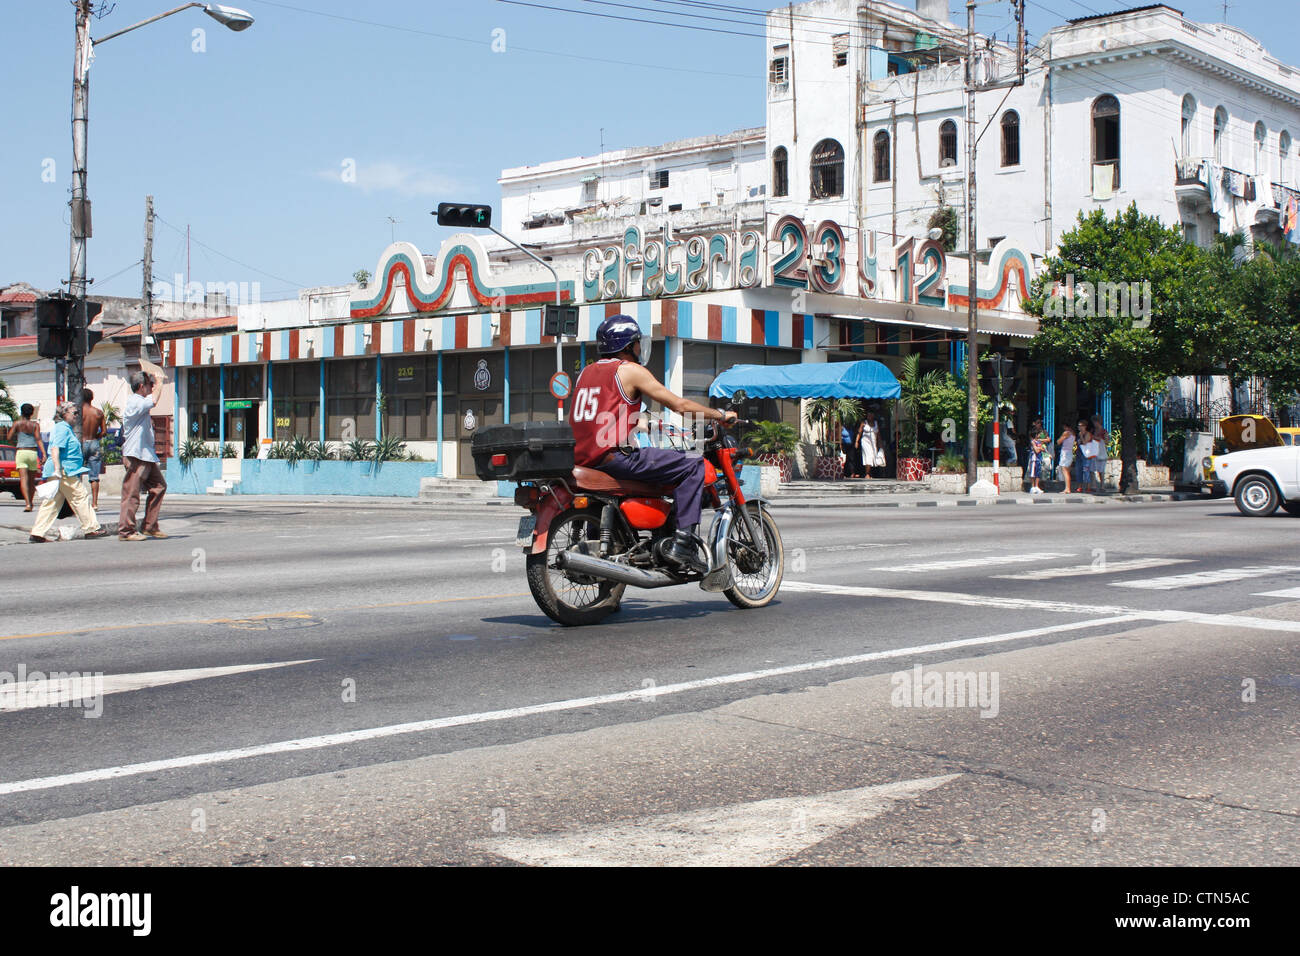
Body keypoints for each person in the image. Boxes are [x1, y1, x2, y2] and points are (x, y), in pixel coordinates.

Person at [570, 315, 736, 574]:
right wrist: (720, 415)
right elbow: (679, 405)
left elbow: (602, 413)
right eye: (636, 343)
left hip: (585, 457)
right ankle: (682, 544)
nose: (639, 348)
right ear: (627, 346)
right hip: (615, 457)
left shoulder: (586, 373)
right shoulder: (629, 370)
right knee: (693, 465)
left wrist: (638, 421)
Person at [29, 402, 107, 542]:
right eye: (74, 413)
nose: (77, 416)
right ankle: (91, 528)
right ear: (64, 414)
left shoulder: (65, 428)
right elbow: (55, 448)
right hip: (64, 470)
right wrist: (58, 469)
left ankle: (37, 533)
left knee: (52, 502)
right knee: (80, 496)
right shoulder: (62, 428)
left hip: (62, 470)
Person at [119, 370, 168, 541]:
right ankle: (126, 531)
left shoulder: (140, 402)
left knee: (159, 486)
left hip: (146, 454)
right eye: (149, 385)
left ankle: (150, 526)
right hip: (136, 454)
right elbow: (153, 401)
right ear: (141, 387)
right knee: (131, 493)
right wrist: (160, 382)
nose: (152, 387)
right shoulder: (134, 401)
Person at [6, 403, 45, 512]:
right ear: (32, 413)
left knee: (23, 479)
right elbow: (38, 439)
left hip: (21, 452)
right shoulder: (35, 425)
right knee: (32, 481)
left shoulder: (17, 424)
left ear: (21, 412)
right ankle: (31, 502)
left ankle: (27, 503)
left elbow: (9, 437)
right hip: (32, 452)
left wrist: (15, 443)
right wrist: (44, 454)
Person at [81, 388, 106, 511]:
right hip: (94, 443)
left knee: (76, 474)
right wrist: (96, 437)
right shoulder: (98, 412)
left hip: (81, 443)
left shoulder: (79, 413)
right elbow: (104, 432)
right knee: (94, 476)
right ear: (92, 398)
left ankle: (78, 502)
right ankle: (95, 503)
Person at [858, 410, 885, 479]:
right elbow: (859, 433)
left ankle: (870, 473)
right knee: (868, 456)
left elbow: (878, 435)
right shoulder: (864, 423)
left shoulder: (876, 423)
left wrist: (880, 445)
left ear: (873, 416)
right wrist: (856, 441)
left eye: (871, 415)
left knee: (873, 457)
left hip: (873, 443)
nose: (869, 416)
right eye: (868, 415)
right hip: (865, 442)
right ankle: (867, 474)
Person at [1079, 426, 1103, 493]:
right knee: (1087, 471)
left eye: (1081, 426)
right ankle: (1088, 486)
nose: (1079, 427)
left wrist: (1081, 436)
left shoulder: (1087, 435)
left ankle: (1088, 487)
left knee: (1087, 470)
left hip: (1088, 455)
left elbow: (1084, 443)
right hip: (1086, 454)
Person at [1026, 418, 1048, 494]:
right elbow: (1037, 450)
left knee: (1038, 473)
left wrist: (1040, 448)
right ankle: (1032, 486)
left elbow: (1043, 449)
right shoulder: (1033, 442)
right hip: (1034, 459)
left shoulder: (1039, 442)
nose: (1039, 435)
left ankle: (1036, 486)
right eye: (1038, 434)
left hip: (1039, 459)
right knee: (1033, 473)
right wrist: (1040, 448)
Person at [1090, 415, 1109, 491]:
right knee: (1092, 469)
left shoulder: (1104, 431)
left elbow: (1107, 441)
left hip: (1101, 452)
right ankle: (1093, 485)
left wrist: (1097, 438)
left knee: (1101, 470)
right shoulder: (1092, 431)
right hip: (1094, 451)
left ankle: (1102, 486)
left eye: (1095, 422)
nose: (1094, 424)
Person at [1056, 424, 1076, 494]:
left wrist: (1060, 438)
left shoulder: (1066, 433)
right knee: (1067, 471)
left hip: (1065, 453)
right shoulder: (1073, 433)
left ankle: (1067, 488)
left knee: (1065, 470)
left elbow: (1059, 441)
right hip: (1070, 452)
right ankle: (1067, 488)